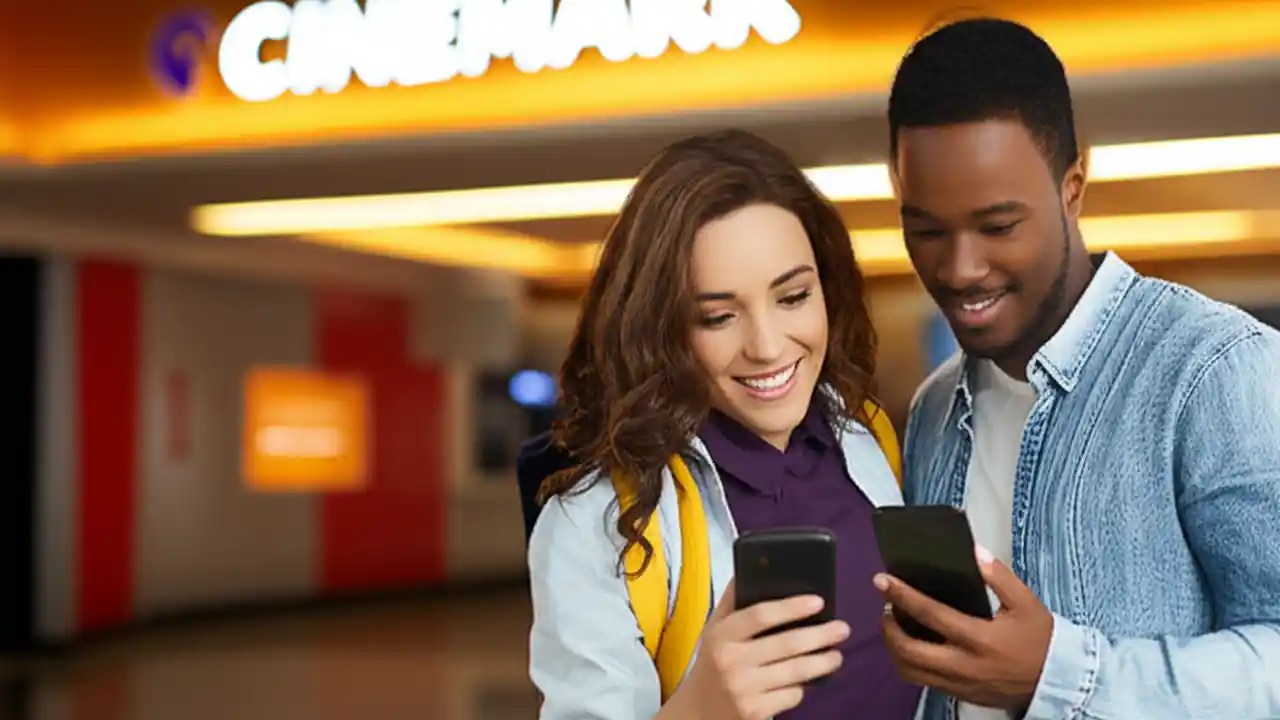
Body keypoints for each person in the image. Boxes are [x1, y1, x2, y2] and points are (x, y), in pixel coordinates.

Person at [875, 17, 1280, 720]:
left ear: (1073, 185)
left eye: (998, 227)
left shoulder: (1211, 369)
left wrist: (1058, 678)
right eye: (927, 231)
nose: (960, 269)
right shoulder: (937, 408)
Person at [527, 130, 922, 720]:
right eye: (717, 316)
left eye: (792, 297)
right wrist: (700, 710)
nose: (766, 347)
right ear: (662, 330)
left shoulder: (866, 438)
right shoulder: (595, 521)